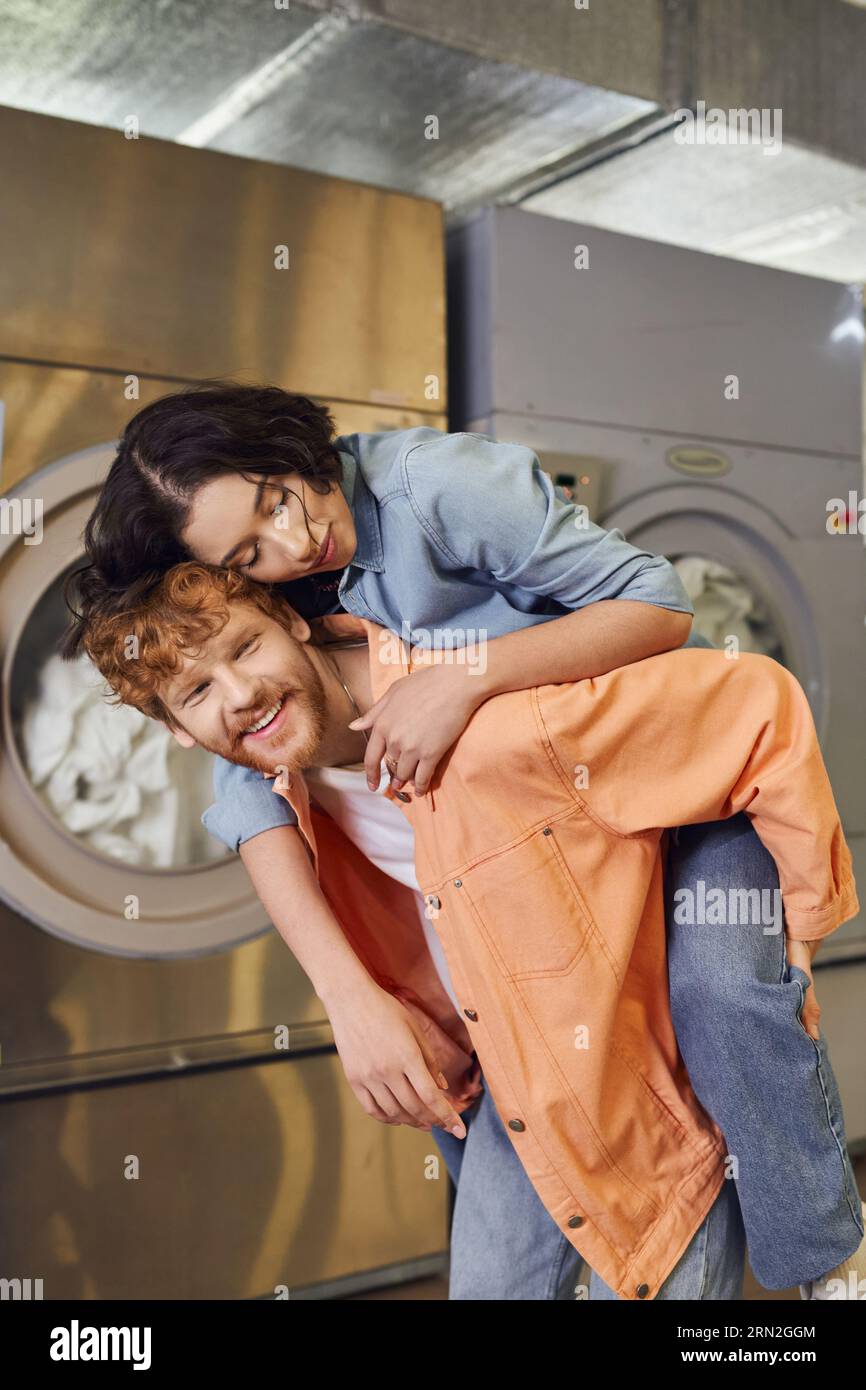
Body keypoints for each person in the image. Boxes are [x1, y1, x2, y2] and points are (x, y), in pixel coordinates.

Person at [63, 381, 864, 1297]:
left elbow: (663, 608)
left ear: (287, 448)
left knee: (722, 992)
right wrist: (351, 999)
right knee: (527, 1084)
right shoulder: (273, 621)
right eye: (249, 551)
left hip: (663, 777)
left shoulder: (434, 488)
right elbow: (248, 777)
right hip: (544, 841)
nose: (291, 543)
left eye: (278, 501)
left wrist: (466, 681)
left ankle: (827, 1257)